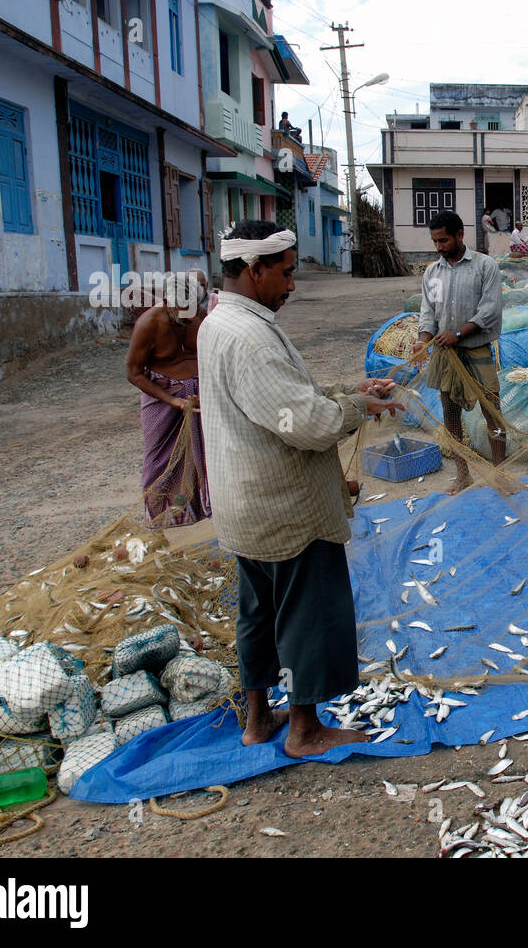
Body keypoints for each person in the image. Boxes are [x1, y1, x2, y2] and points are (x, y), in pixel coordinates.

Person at [196, 220, 405, 757]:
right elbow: (307, 424)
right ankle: (306, 730)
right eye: (285, 275)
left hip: (244, 506)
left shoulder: (221, 321)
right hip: (283, 507)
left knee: (257, 612)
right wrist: (358, 407)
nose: (292, 285)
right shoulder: (248, 337)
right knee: (307, 612)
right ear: (254, 270)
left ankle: (258, 719)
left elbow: (285, 397)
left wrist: (348, 391)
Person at [412, 211, 514, 496]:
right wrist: (423, 341)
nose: (439, 247)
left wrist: (458, 333)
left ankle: (501, 474)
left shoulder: (485, 266)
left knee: (492, 412)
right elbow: (428, 313)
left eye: (443, 240)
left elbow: (490, 309)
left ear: (460, 235)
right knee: (451, 414)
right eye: (434, 241)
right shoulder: (433, 273)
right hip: (446, 356)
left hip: (476, 349)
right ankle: (462, 475)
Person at [125, 269, 212, 527]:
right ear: (167, 301)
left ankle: (200, 514)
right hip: (162, 400)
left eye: (191, 312)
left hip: (198, 398)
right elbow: (133, 373)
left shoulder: (200, 316)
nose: (186, 318)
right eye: (179, 313)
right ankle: (159, 522)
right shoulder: (148, 324)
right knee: (159, 461)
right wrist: (173, 400)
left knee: (204, 456)